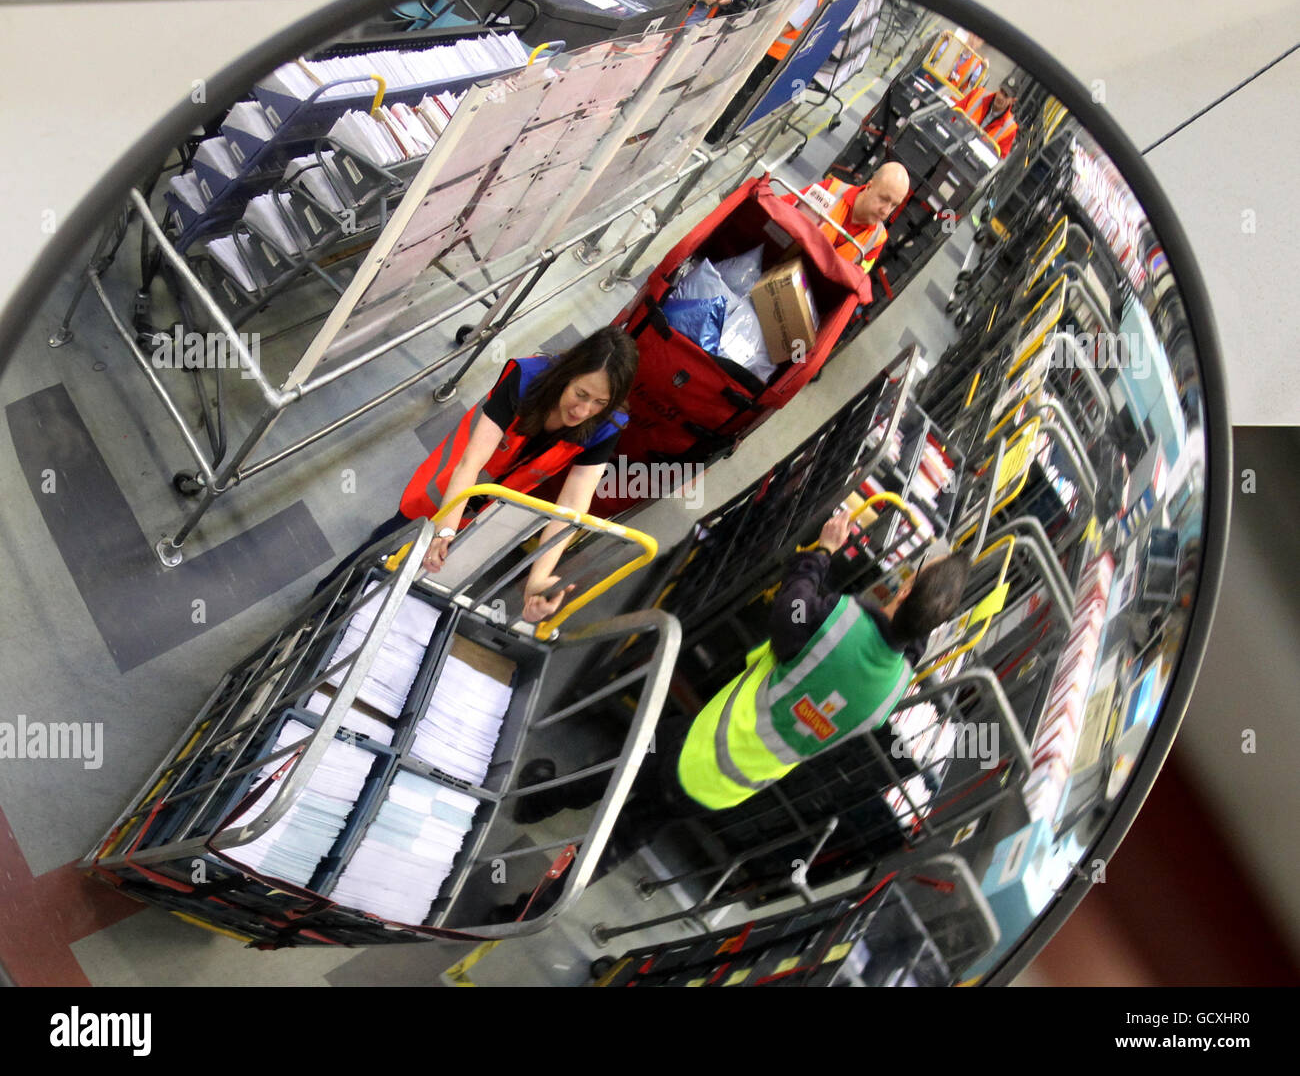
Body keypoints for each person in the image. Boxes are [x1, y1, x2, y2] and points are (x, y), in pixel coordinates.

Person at [512, 508, 970, 865]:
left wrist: (821, 555)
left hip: (701, 744)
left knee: (618, 767)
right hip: (733, 785)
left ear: (906, 588)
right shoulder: (891, 694)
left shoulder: (843, 622)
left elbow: (791, 612)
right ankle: (532, 905)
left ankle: (536, 802)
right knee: (634, 831)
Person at [316, 327, 638, 623]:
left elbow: (571, 507)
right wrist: (444, 531)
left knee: (418, 572)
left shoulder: (605, 426)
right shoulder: (525, 379)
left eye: (599, 403)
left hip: (487, 509)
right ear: (566, 375)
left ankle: (349, 618)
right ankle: (321, 604)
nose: (583, 411)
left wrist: (539, 578)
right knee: (386, 543)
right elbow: (470, 461)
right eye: (580, 394)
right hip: (448, 485)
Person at [706, 0, 846, 142]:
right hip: (790, 55)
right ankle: (726, 132)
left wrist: (755, 40)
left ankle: (714, 134)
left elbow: (786, 26)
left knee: (742, 92)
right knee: (751, 96)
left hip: (774, 51)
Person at [792, 161, 910, 272]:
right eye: (884, 199)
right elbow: (781, 209)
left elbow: (855, 282)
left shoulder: (877, 240)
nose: (885, 211)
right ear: (869, 186)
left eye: (894, 205)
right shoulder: (830, 190)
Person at [954, 77, 1020, 159]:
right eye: (1001, 91)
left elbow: (997, 159)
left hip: (971, 160)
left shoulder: (1010, 129)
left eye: (1006, 96)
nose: (1000, 97)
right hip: (953, 137)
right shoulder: (978, 94)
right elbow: (953, 113)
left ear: (1013, 101)